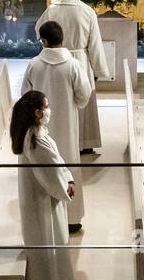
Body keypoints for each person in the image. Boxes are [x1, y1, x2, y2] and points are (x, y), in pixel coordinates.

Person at [11, 90, 87, 280]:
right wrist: (66, 188)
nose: (49, 110)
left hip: (38, 200)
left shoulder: (34, 133)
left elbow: (56, 162)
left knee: (45, 245)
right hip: (44, 201)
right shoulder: (36, 140)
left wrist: (68, 178)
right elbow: (51, 173)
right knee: (53, 246)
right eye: (46, 106)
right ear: (37, 112)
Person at [22, 21, 93, 232]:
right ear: (62, 39)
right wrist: (72, 106)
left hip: (39, 128)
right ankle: (71, 218)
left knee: (43, 169)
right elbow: (84, 94)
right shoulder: (72, 65)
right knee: (69, 162)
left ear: (43, 41)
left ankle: (47, 219)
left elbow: (25, 96)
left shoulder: (34, 65)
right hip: (67, 124)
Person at [35, 0, 108, 153]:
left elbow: (39, 29)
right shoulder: (87, 11)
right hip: (80, 60)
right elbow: (95, 43)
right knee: (82, 101)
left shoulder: (52, 9)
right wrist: (98, 70)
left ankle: (58, 140)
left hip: (56, 60)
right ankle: (84, 142)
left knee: (60, 102)